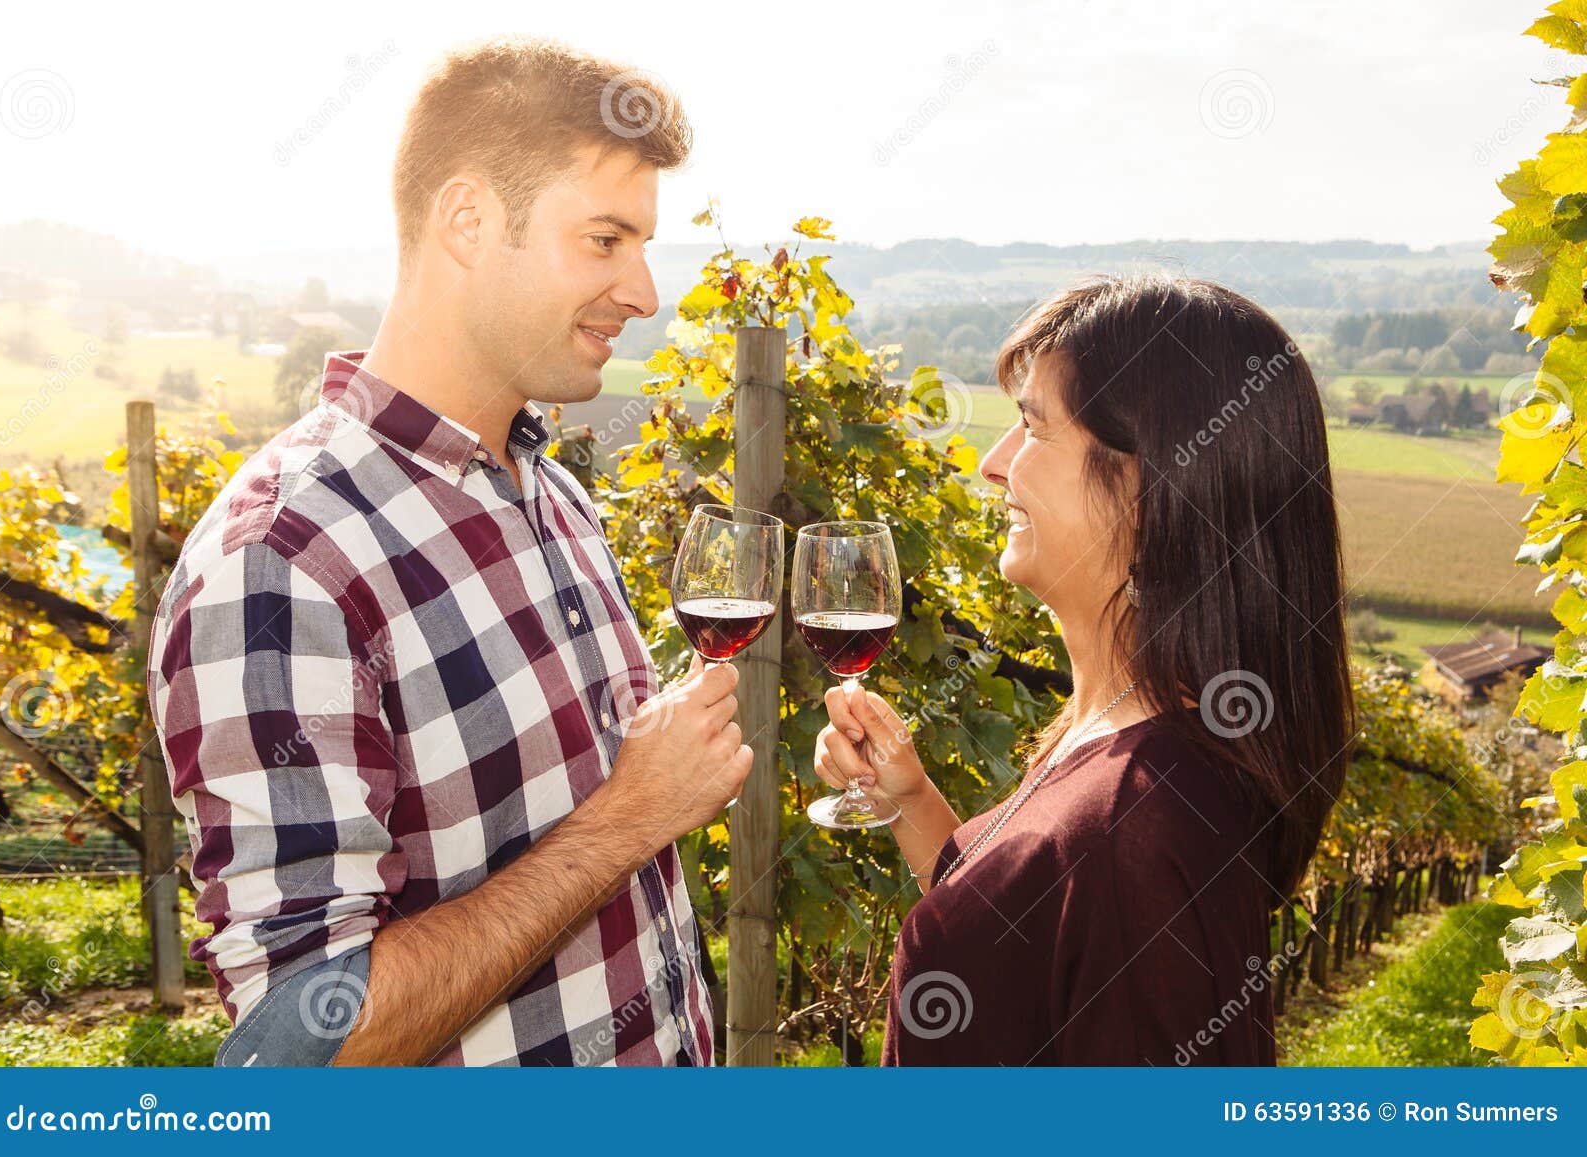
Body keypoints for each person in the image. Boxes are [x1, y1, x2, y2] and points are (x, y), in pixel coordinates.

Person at [149, 37, 751, 1067]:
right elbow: (299, 1047)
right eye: (605, 240)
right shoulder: (284, 564)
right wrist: (632, 817)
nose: (645, 291)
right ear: (468, 219)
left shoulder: (550, 492)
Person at [813, 275, 1355, 1065]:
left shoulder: (1142, 826)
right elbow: (1029, 953)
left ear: (1146, 486)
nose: (994, 463)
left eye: (1033, 428)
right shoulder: (1124, 742)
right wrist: (911, 806)